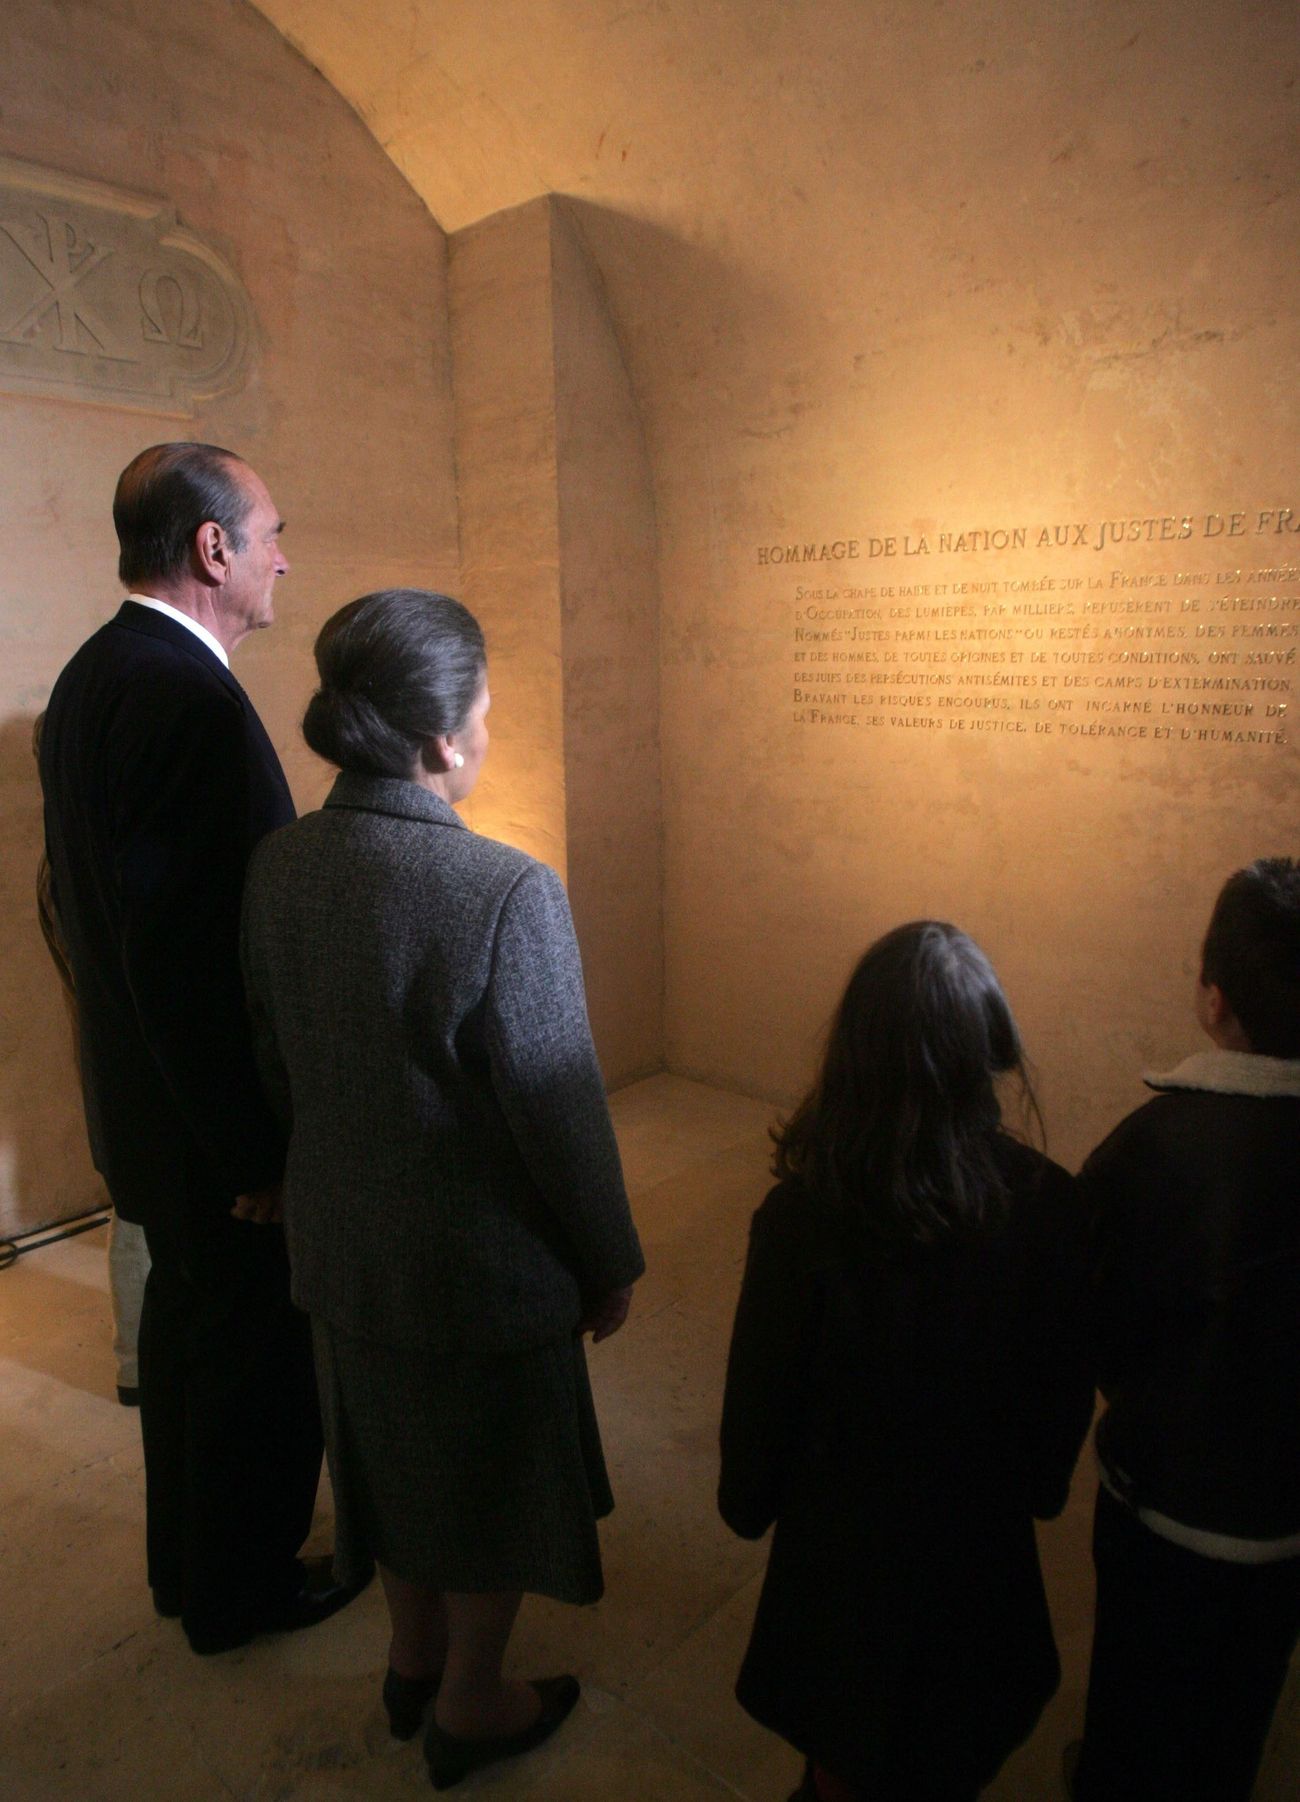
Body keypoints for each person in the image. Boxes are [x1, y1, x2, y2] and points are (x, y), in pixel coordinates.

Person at [240, 588, 644, 1790]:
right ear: (438, 740)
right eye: (485, 712)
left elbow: (272, 1053)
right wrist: (610, 1255)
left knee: (388, 1456)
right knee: (485, 1477)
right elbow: (561, 1111)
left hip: (342, 1243)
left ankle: (412, 1657)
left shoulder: (280, 864)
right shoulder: (504, 890)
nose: (489, 731)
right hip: (480, 1264)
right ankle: (473, 1697)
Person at [39, 442, 363, 1655]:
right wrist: (251, 1148)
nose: (287, 555)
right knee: (251, 1363)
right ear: (212, 548)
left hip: (143, 1107)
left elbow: (98, 922)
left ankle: (186, 1564)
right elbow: (182, 964)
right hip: (206, 1126)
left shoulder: (95, 672)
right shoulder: (185, 699)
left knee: (183, 1337)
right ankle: (240, 1588)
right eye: (271, 531)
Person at [719, 922, 1093, 1802]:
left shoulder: (801, 1220)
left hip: (841, 1574)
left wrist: (748, 1500)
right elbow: (1054, 1422)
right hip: (979, 1570)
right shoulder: (1052, 1208)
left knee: (846, 1752)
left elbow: (759, 1409)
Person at [1073, 859, 1300, 1802]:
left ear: (1211, 998)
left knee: (1133, 1703)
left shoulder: (1148, 1150)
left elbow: (1086, 1324)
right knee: (1241, 1704)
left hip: (1158, 1501)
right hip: (1285, 1517)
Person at [32, 712, 152, 1407]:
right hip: (129, 1057)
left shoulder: (66, 862)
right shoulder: (90, 865)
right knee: (135, 1212)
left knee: (128, 1205)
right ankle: (136, 1360)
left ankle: (135, 1358)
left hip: (112, 1057)